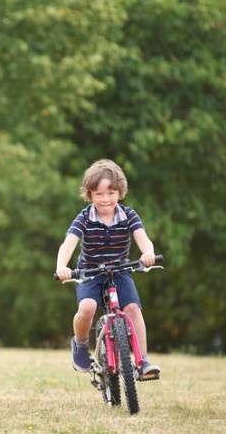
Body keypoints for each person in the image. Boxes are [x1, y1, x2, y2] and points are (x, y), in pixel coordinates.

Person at [55, 159, 161, 376]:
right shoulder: (84, 217)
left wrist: (147, 253)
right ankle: (80, 343)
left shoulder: (129, 215)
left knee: (133, 309)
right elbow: (68, 243)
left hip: (120, 270)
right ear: (90, 194)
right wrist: (61, 266)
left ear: (120, 193)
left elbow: (143, 239)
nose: (105, 199)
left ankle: (142, 361)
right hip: (90, 272)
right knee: (87, 308)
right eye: (99, 194)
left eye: (111, 193)